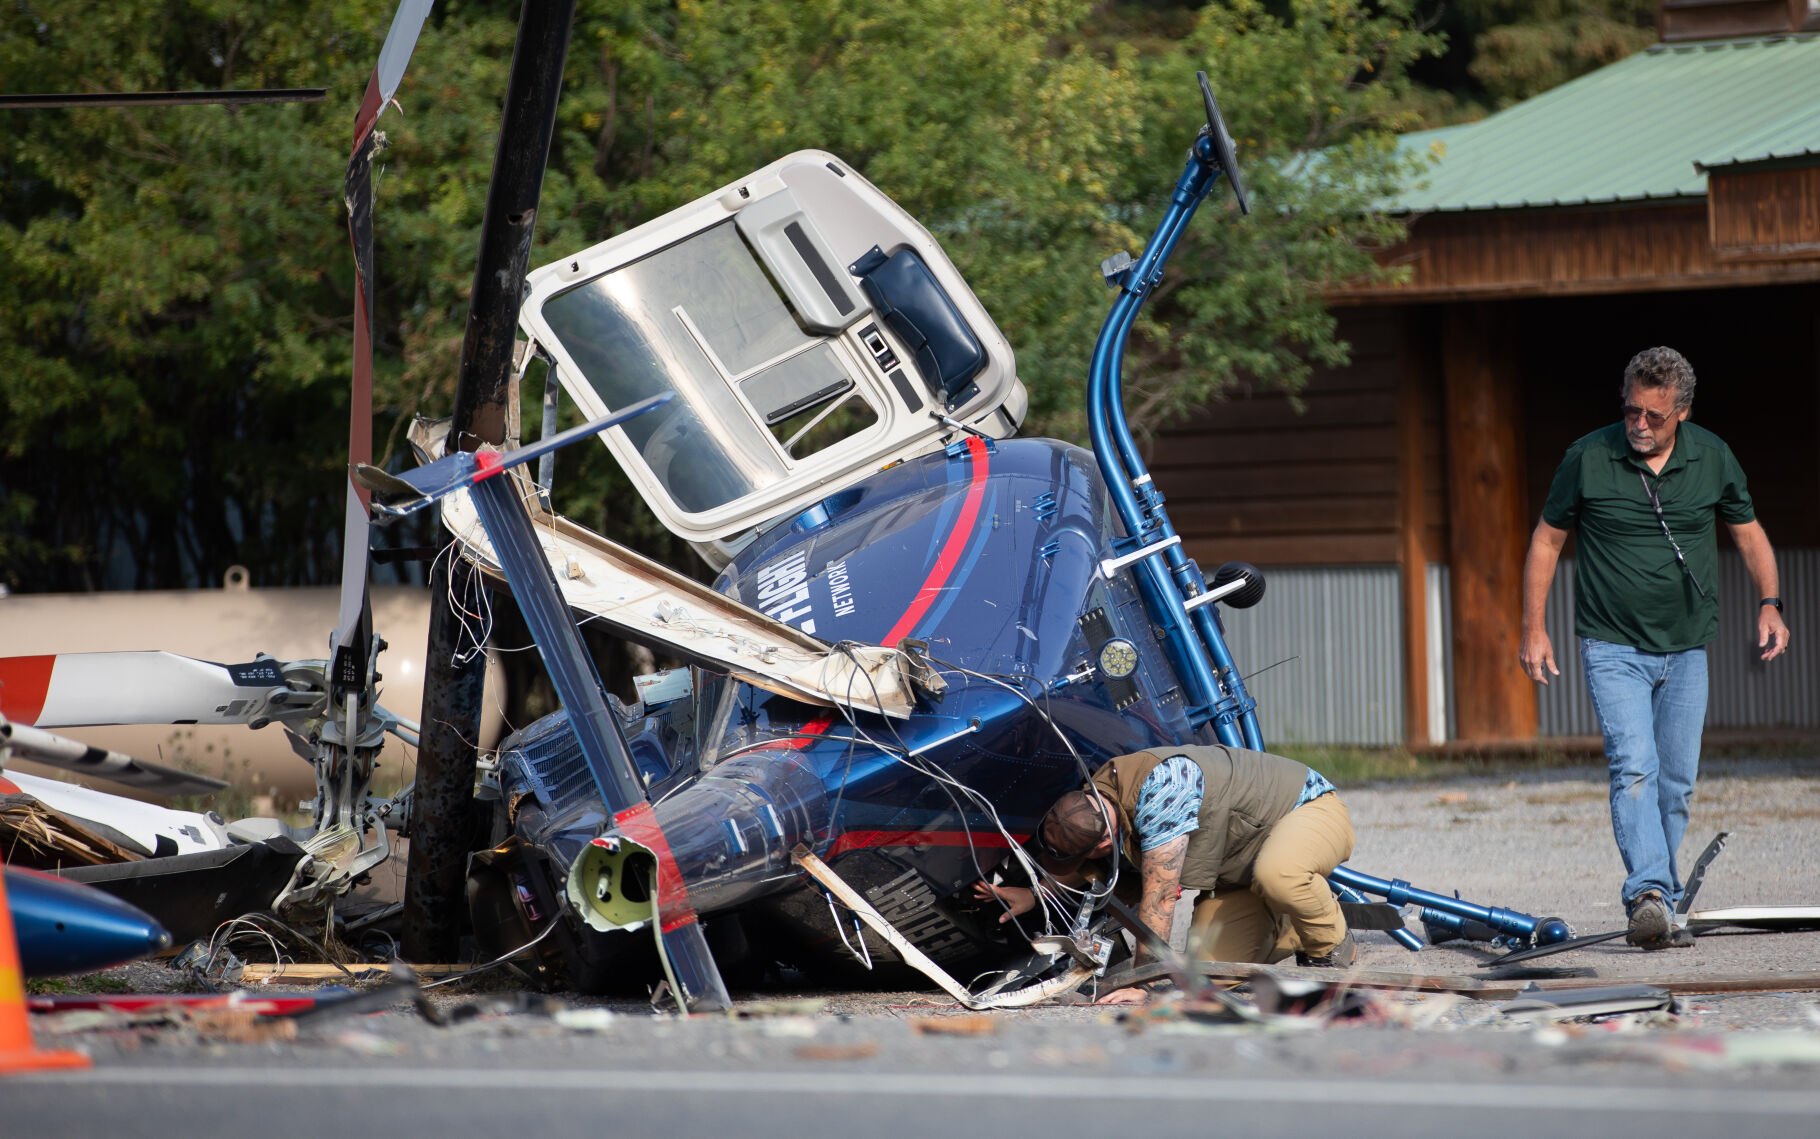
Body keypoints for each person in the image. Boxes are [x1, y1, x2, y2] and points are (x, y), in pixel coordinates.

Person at [1519, 346, 1788, 950]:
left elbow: (1747, 533)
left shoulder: (1714, 457)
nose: (1639, 425)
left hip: (1688, 647)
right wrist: (1533, 627)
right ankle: (1647, 891)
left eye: (1654, 416)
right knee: (1634, 765)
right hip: (1611, 643)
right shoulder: (1587, 457)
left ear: (1683, 413)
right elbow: (1546, 541)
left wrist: (1771, 603)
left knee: (1677, 782)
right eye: (1631, 411)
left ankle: (1659, 905)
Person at [973, 744, 1354, 1003]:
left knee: (1281, 874)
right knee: (1208, 977)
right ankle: (1291, 924)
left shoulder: (1160, 796)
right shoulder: (1094, 801)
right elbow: (1089, 869)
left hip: (1306, 809)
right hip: (1241, 866)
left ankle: (1332, 945)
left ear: (1105, 845)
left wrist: (1143, 981)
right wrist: (1034, 893)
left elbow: (1158, 898)